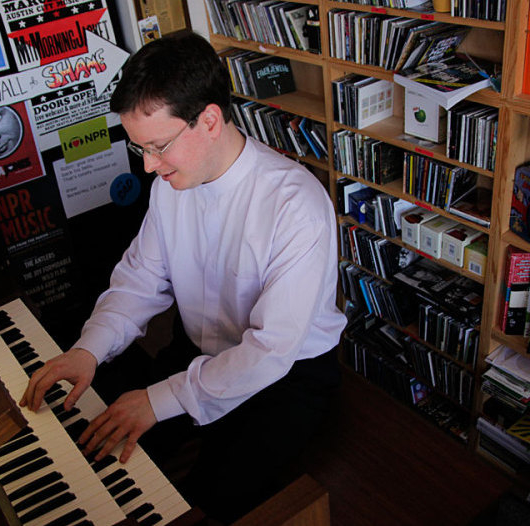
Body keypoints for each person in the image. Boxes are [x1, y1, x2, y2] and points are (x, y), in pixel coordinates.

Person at [19, 32, 346, 523]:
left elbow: (268, 352)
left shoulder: (296, 206)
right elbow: (139, 279)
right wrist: (89, 349)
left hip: (285, 376)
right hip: (196, 352)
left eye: (158, 146)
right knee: (98, 442)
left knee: (200, 504)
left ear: (209, 120)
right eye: (141, 149)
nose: (149, 166)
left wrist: (158, 400)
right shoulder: (173, 183)